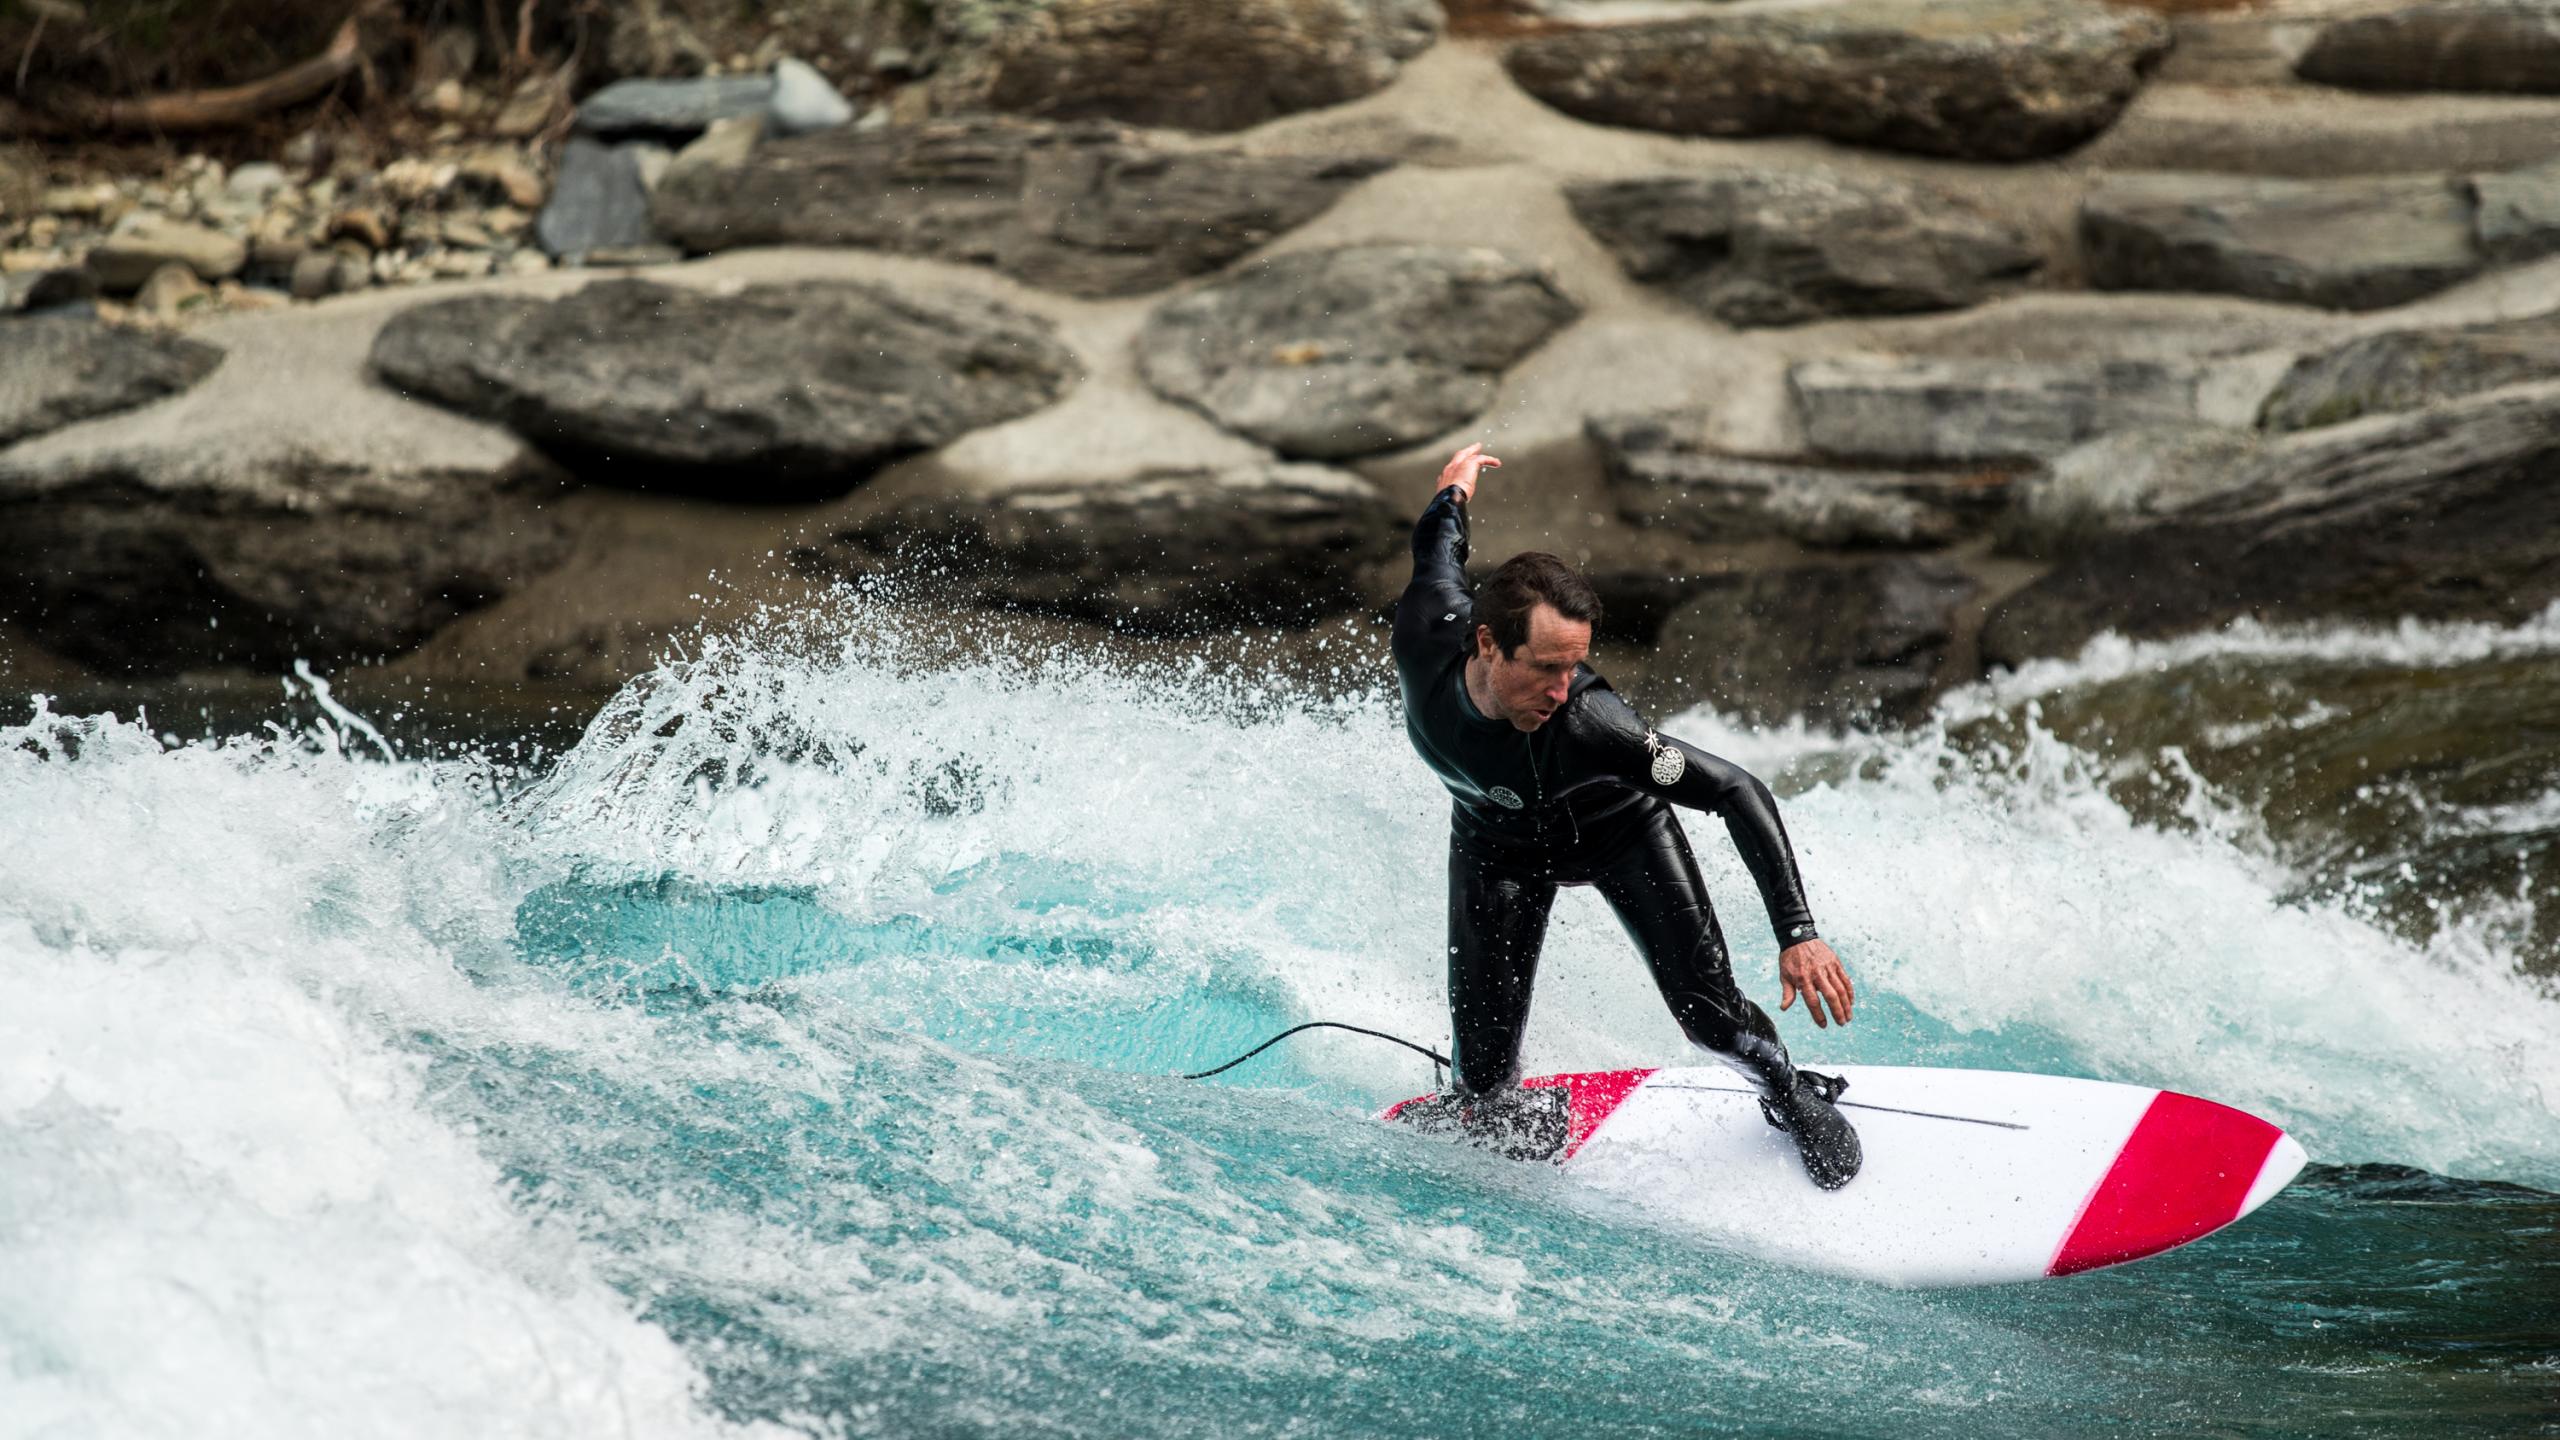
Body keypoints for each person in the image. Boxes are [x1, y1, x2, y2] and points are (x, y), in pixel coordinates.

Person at [1389, 441, 1862, 1188]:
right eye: (1545, 667)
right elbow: (1436, 548)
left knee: (1712, 1021)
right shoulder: (1424, 636)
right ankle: (1508, 1111)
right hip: (1495, 845)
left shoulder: (1592, 723)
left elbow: (1735, 787)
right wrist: (1454, 490)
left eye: (1573, 666)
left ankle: (1789, 1090)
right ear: (1486, 643)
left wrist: (1797, 933)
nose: (1561, 686)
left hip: (1620, 836)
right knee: (1478, 1078)